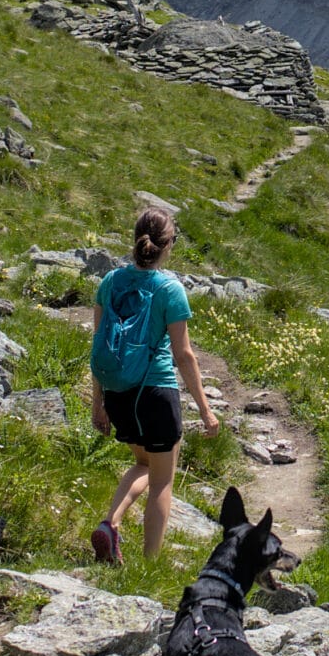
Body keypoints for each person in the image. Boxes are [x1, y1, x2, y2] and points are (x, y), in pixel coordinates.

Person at [87, 208, 218, 564]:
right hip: (156, 393)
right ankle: (149, 566)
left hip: (118, 393)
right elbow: (184, 355)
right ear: (167, 245)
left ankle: (110, 524)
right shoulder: (169, 289)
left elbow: (100, 342)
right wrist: (205, 410)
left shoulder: (110, 282)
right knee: (162, 480)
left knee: (144, 464)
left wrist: (98, 403)